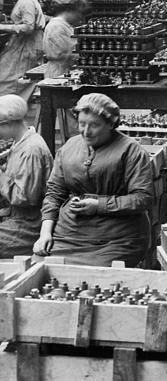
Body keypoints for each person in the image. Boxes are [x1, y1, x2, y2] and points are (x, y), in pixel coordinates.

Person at [34, 94, 153, 266]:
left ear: (111, 124)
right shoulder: (69, 147)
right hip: (69, 235)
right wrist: (45, 233)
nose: (86, 131)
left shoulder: (131, 151)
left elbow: (143, 198)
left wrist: (99, 206)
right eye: (82, 124)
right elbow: (55, 193)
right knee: (38, 266)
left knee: (97, 276)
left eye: (94, 125)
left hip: (117, 238)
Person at [0, 95, 52, 258]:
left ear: (8, 124)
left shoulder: (31, 151)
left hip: (28, 225)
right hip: (15, 216)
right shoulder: (21, 141)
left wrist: (1, 176)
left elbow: (25, 198)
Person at [0, 0, 45, 97]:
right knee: (8, 75)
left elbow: (28, 27)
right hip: (22, 43)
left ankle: (13, 107)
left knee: (11, 78)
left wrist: (3, 27)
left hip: (28, 44)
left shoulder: (26, 0)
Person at [43, 0, 87, 78]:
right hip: (58, 73)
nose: (80, 17)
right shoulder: (56, 26)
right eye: (78, 12)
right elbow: (60, 55)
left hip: (65, 70)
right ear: (68, 10)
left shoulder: (65, 25)